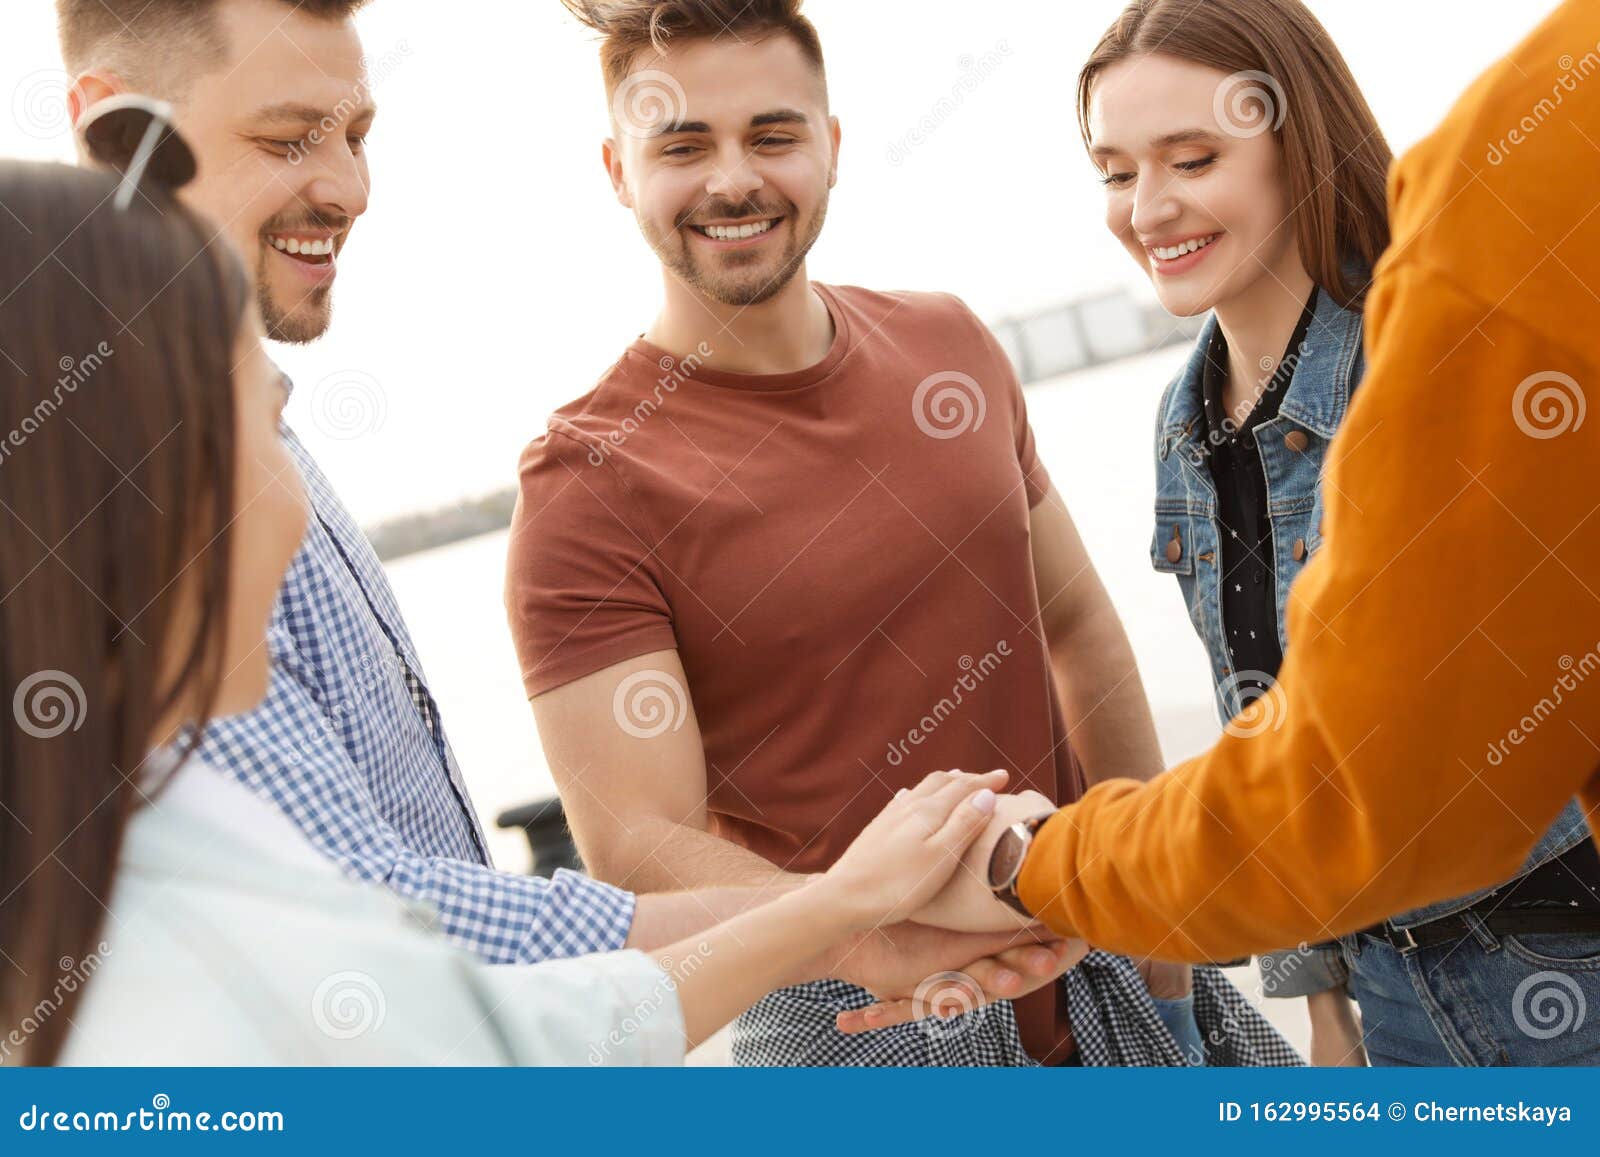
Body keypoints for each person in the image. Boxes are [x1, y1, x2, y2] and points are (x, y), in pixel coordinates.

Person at [52, 0, 1058, 1006]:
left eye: (358, 137)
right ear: (117, 134)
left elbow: (403, 909)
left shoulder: (242, 417)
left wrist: (849, 924)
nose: (352, 189)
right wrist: (841, 917)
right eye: (286, 141)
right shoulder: (119, 471)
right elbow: (370, 916)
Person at [508, 0, 1298, 1067]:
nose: (733, 179)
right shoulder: (586, 481)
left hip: (1110, 969)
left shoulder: (946, 344)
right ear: (617, 169)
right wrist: (871, 926)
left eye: (772, 135)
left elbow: (1078, 633)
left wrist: (1160, 937)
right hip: (858, 1030)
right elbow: (639, 844)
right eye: (683, 145)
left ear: (829, 147)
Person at [867, 0, 1600, 1069]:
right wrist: (1325, 1002)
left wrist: (1036, 860)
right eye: (1116, 172)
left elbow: (1386, 771)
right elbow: (1254, 721)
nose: (1147, 207)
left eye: (1192, 158)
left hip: (1553, 953)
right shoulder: (1183, 418)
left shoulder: (1430, 367)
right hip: (1386, 984)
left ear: (1293, 139)